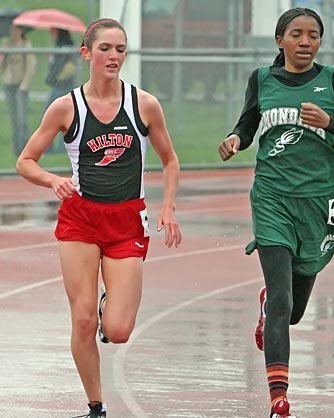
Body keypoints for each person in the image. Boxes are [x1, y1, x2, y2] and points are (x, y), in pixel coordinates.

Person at [218, 7, 334, 418]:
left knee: (293, 311)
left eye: (313, 35)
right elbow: (247, 126)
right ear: (280, 40)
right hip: (271, 197)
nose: (305, 42)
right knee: (281, 298)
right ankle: (279, 399)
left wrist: (331, 124)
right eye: (296, 34)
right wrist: (235, 139)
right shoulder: (262, 79)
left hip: (317, 201)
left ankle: (268, 307)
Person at [16, 18, 182, 418]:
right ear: (86, 53)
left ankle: (110, 301)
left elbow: (170, 160)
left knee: (118, 330)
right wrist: (53, 180)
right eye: (105, 48)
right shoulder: (65, 107)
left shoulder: (144, 105)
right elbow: (25, 161)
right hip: (81, 220)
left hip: (127, 221)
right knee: (84, 319)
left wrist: (168, 206)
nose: (113, 56)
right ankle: (96, 406)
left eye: (120, 49)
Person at [0, 24, 36, 155]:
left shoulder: (26, 45)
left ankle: (26, 149)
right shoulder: (7, 45)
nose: (13, 32)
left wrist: (24, 84)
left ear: (21, 31)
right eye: (11, 29)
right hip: (9, 84)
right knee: (14, 119)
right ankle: (17, 150)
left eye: (15, 29)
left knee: (22, 120)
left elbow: (31, 66)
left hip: (20, 86)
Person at [44, 28, 77, 153]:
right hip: (59, 87)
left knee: (51, 117)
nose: (51, 35)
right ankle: (54, 149)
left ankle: (58, 149)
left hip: (62, 87)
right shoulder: (60, 47)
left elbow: (61, 68)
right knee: (57, 118)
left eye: (53, 32)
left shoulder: (65, 47)